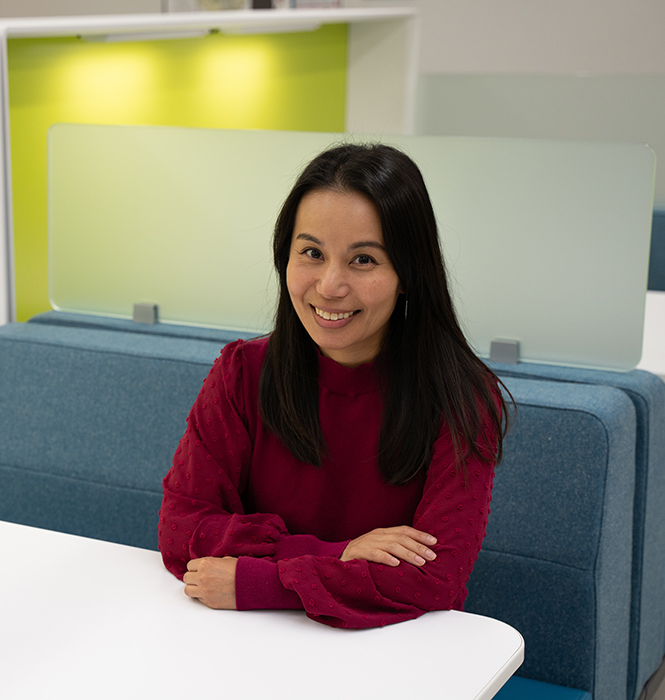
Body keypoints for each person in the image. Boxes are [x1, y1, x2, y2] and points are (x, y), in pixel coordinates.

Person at [158, 143, 509, 629]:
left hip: (399, 652)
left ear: (408, 273)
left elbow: (435, 577)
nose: (328, 285)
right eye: (311, 253)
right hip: (251, 642)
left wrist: (263, 581)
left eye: (363, 260)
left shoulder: (462, 397)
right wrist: (341, 553)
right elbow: (182, 528)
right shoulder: (242, 372)